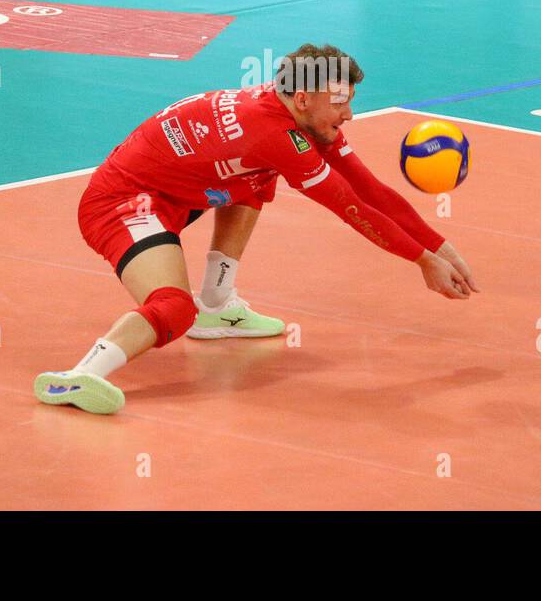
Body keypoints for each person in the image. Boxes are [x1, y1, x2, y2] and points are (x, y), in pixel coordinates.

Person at [34, 44, 477, 415]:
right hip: (123, 203)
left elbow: (368, 188)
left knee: (258, 175)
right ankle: (77, 378)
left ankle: (218, 303)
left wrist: (440, 246)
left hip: (179, 190)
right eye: (341, 102)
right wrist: (421, 261)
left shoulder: (293, 114)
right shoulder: (274, 136)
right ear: (304, 98)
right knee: (172, 308)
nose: (350, 115)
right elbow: (350, 207)